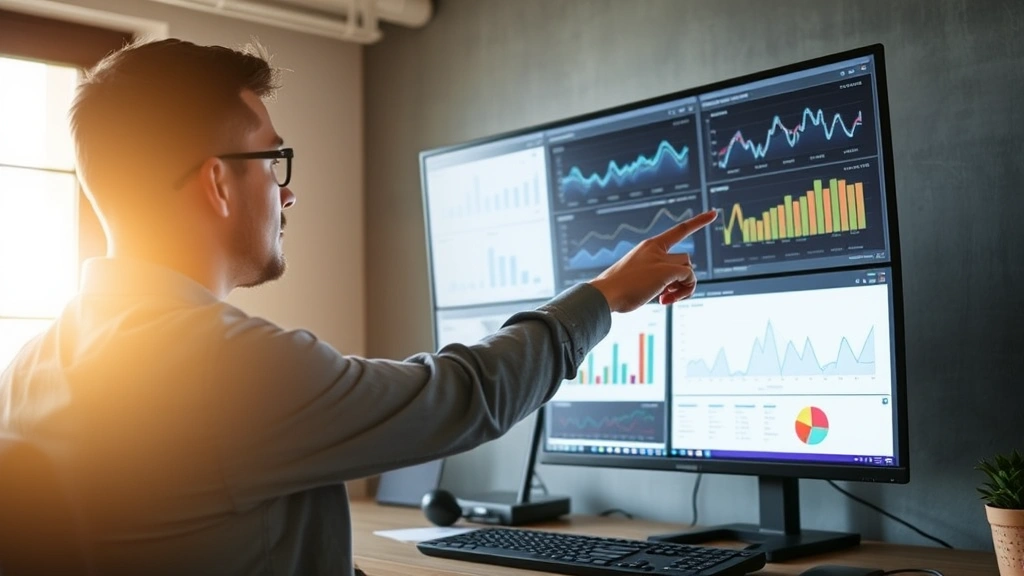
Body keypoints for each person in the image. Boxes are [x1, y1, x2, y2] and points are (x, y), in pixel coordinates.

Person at [0, 38, 717, 576]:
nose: (288, 193)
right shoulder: (218, 364)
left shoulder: (35, 362)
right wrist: (602, 297)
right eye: (274, 162)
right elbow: (465, 397)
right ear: (218, 183)